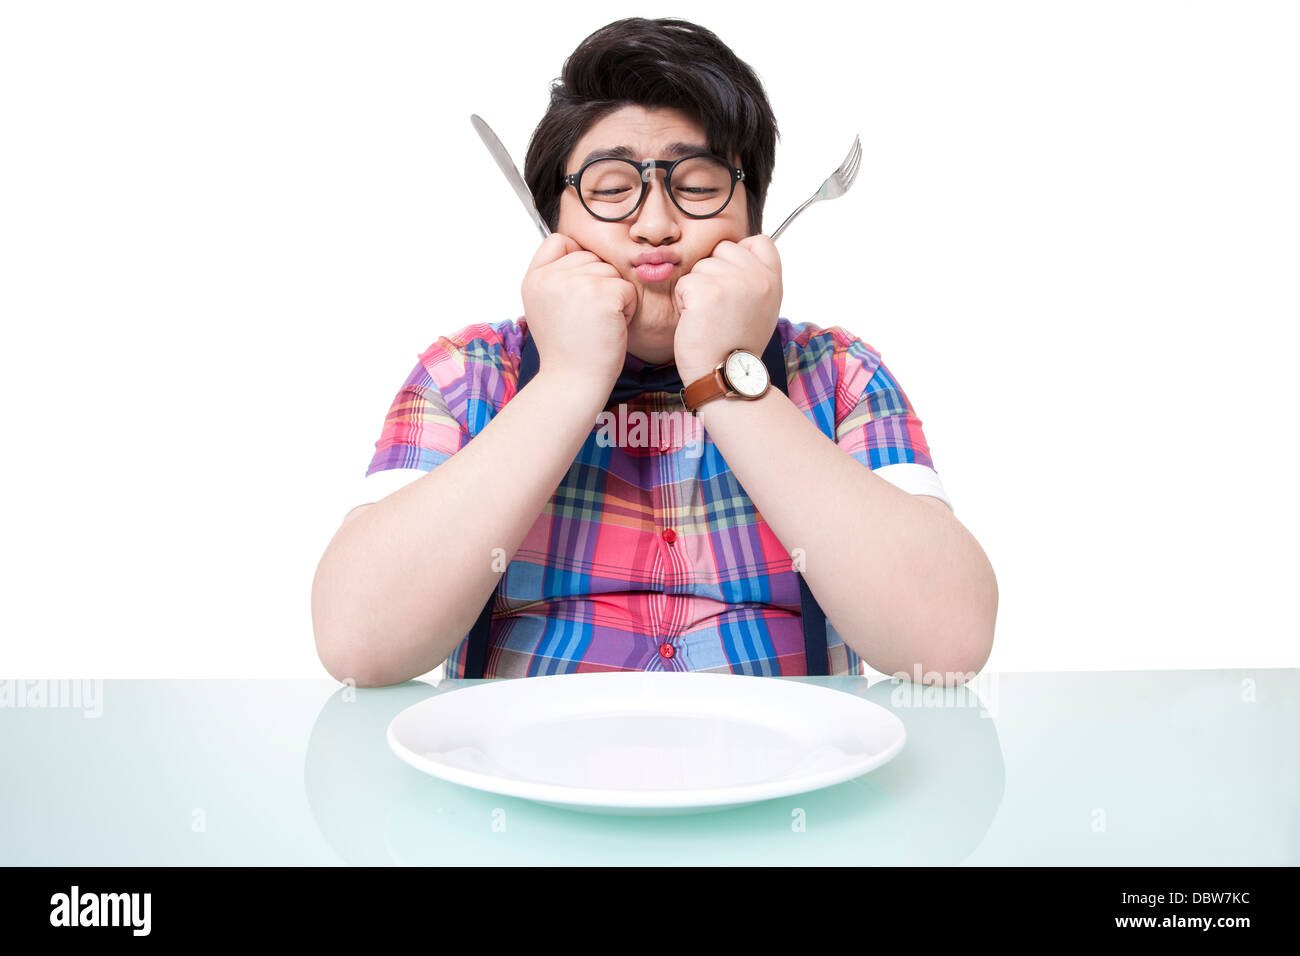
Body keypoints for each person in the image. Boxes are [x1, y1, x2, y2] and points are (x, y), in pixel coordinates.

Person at [311, 17, 998, 686]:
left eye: (697, 185)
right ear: (550, 227)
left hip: (787, 788)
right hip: (522, 785)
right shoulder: (465, 376)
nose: (655, 224)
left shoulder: (840, 374)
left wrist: (728, 378)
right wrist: (569, 380)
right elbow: (358, 644)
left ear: (756, 223)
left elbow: (944, 645)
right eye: (611, 189)